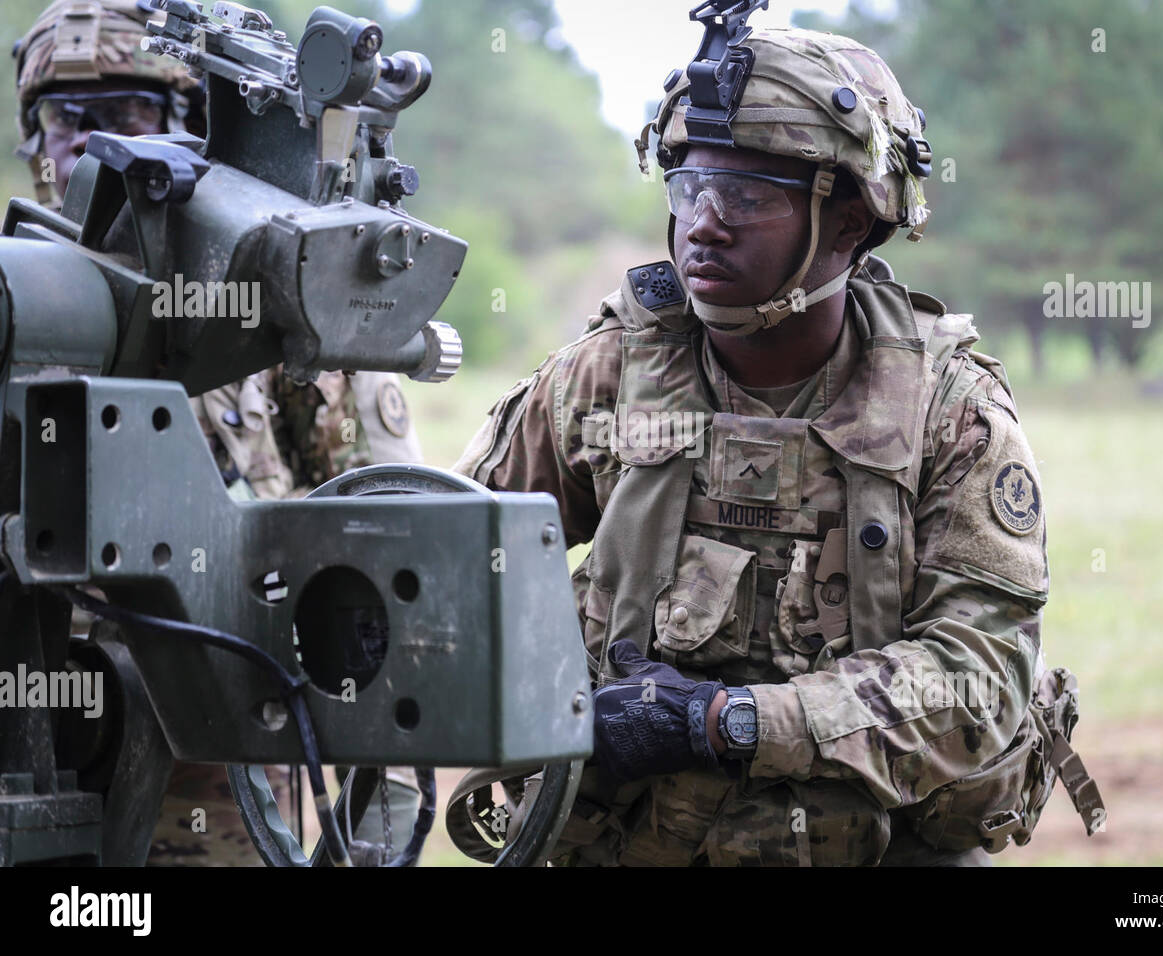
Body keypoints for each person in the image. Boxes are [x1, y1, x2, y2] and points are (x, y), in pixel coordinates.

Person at [452, 13, 1102, 866]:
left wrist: (720, 725)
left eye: (749, 197)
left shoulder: (949, 411)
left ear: (849, 224)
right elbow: (462, 552)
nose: (704, 226)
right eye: (690, 189)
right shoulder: (608, 374)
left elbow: (978, 681)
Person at [12, 0, 424, 864]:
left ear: (185, 128)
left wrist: (384, 791)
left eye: (127, 115)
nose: (88, 145)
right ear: (31, 137)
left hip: (221, 765)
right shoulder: (12, 302)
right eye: (66, 118)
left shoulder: (275, 304)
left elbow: (384, 534)